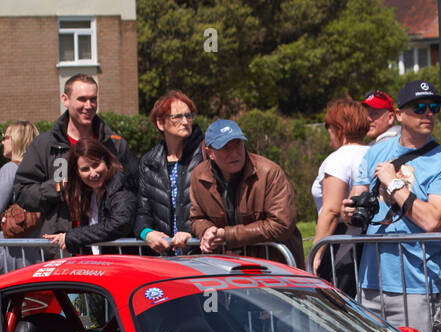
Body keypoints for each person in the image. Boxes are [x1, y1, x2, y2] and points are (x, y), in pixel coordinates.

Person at [344, 80, 441, 332]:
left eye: (434, 107)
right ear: (399, 115)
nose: (429, 113)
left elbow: (432, 219)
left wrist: (392, 182)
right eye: (419, 107)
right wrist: (348, 211)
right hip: (370, 282)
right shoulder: (376, 152)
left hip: (418, 286)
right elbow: (356, 201)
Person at [14, 74, 136, 238]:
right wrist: (58, 187)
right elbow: (22, 193)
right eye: (82, 99)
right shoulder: (45, 145)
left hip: (107, 244)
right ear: (65, 100)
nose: (89, 105)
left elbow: (135, 189)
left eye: (93, 99)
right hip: (62, 246)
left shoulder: (114, 144)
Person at [189, 120, 305, 267]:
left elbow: (282, 225)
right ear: (210, 153)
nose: (234, 153)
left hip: (274, 268)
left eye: (238, 144)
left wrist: (227, 235)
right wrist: (206, 230)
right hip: (226, 269)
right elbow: (197, 217)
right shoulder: (199, 176)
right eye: (225, 148)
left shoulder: (269, 172)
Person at [310, 98, 370, 294]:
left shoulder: (338, 159)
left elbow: (331, 210)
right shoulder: (375, 153)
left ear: (337, 128)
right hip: (367, 249)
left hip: (340, 248)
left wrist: (315, 255)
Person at [134, 90, 204, 255]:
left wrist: (192, 233)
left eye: (189, 115)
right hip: (165, 259)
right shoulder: (149, 162)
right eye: (177, 117)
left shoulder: (205, 155)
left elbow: (217, 208)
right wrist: (146, 233)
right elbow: (142, 211)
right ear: (160, 123)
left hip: (199, 253)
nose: (185, 121)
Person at [42, 138, 136, 255]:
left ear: (106, 161)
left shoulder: (121, 186)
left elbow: (119, 224)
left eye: (96, 165)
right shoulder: (86, 193)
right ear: (77, 172)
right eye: (85, 169)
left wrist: (73, 237)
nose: (93, 173)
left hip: (122, 265)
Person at [0, 121, 44, 277]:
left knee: (2, 299)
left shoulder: (10, 169)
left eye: (5, 137)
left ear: (16, 140)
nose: (2, 142)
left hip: (9, 253)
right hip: (36, 253)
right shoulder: (42, 172)